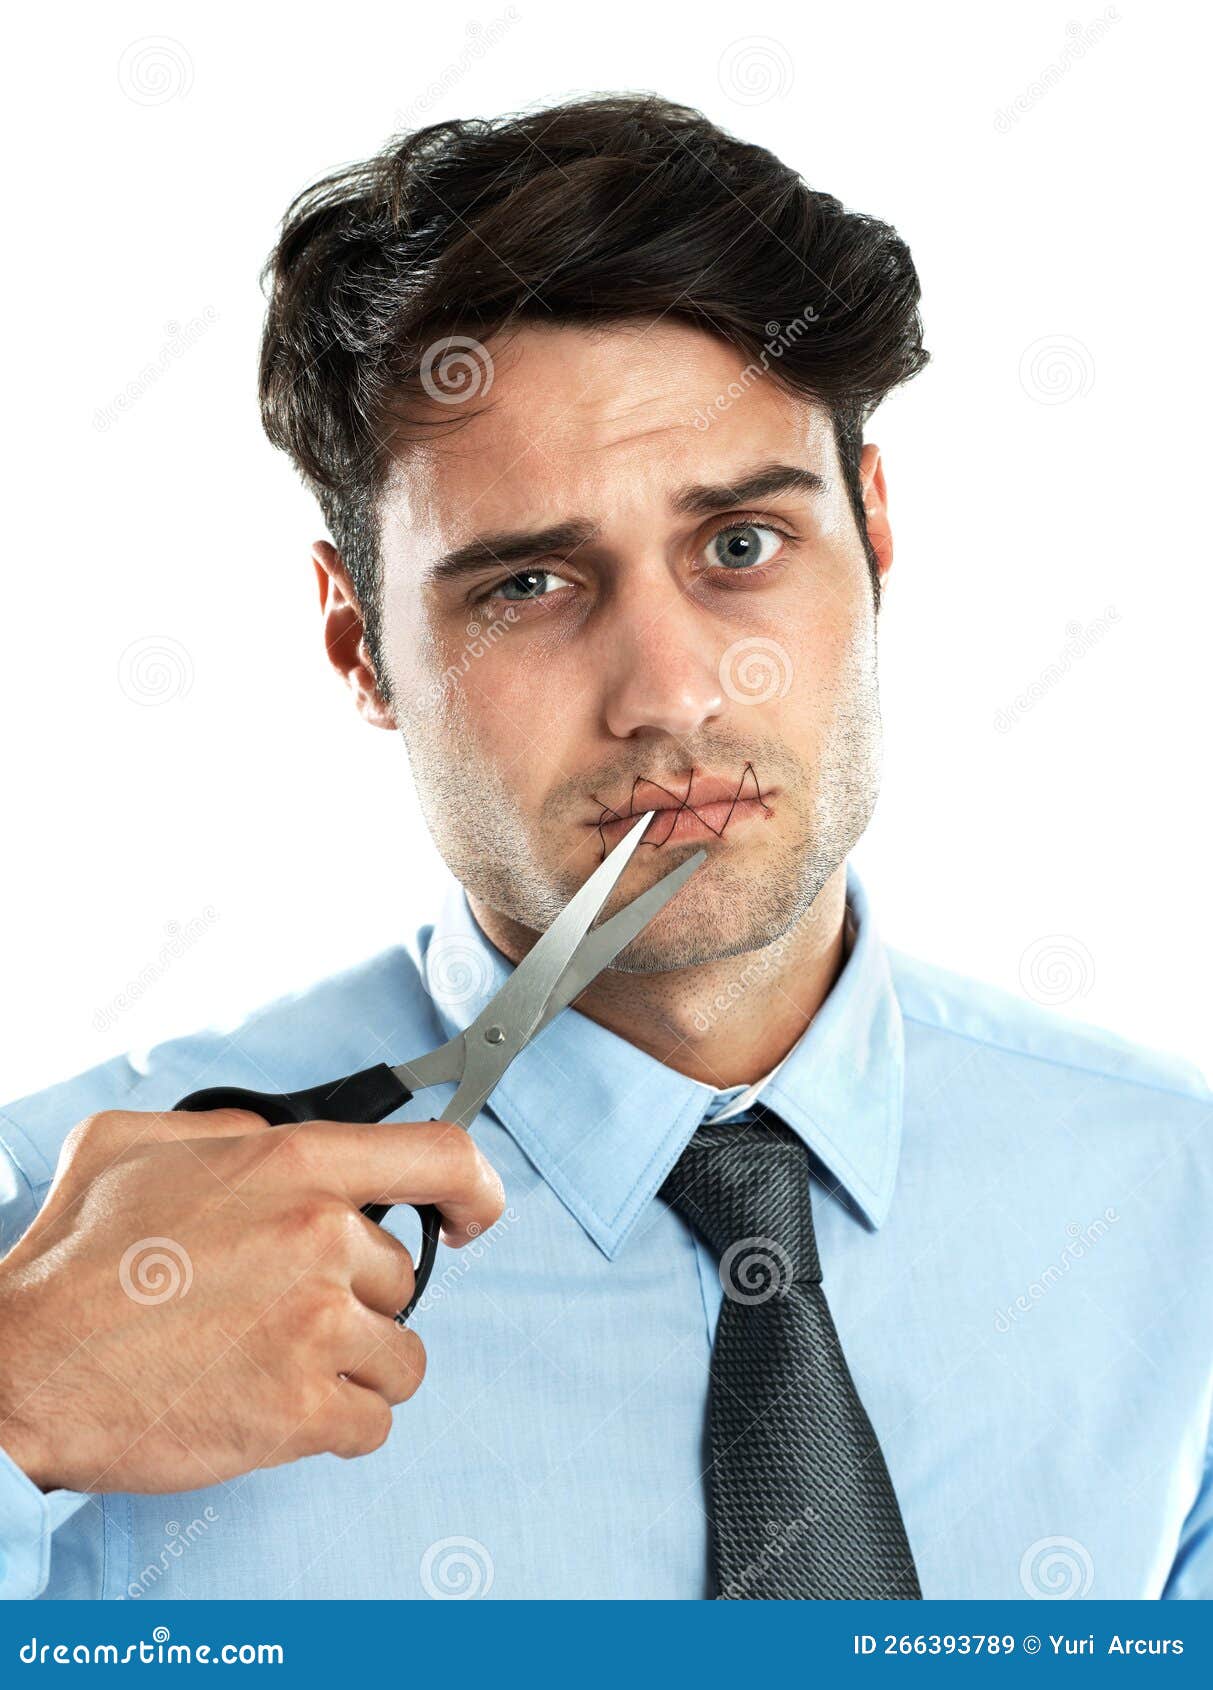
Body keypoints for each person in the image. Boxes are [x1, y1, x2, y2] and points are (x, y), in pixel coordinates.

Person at [1, 94, 1208, 1603]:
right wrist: (23, 1401)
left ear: (875, 531)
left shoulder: (1178, 1203)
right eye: (525, 583)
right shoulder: (56, 1220)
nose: (671, 693)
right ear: (358, 644)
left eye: (742, 546)